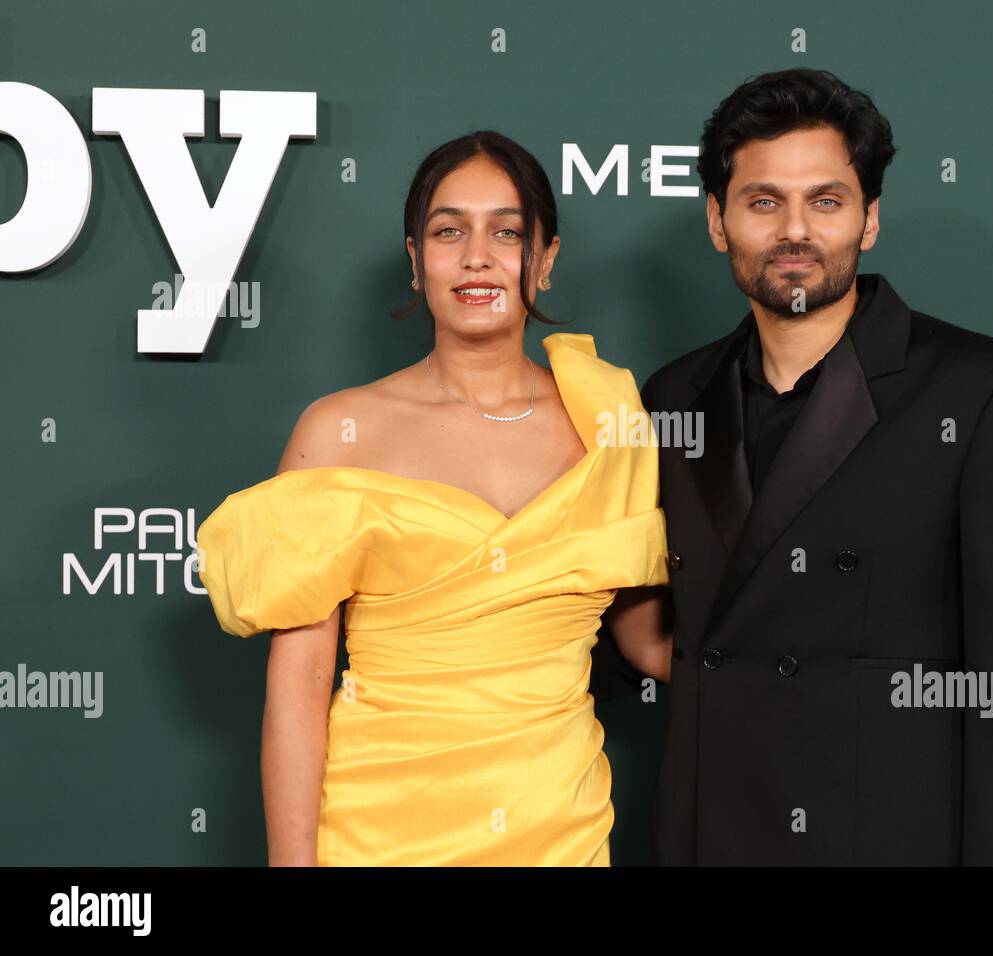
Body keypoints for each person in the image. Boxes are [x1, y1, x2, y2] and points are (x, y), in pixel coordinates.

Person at [600, 68, 993, 865]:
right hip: (708, 833)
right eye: (763, 202)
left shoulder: (983, 391)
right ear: (718, 221)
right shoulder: (672, 395)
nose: (796, 231)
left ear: (869, 220)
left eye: (826, 201)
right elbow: (659, 621)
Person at [195, 131, 669, 866]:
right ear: (417, 261)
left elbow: (646, 641)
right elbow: (299, 686)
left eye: (506, 232)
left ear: (544, 259)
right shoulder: (337, 432)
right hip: (378, 835)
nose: (477, 256)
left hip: (561, 835)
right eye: (449, 231)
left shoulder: (611, 420)